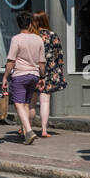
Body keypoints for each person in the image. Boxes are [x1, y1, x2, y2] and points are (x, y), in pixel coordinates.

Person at [1, 11, 46, 146]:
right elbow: (42, 62)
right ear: (30, 23)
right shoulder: (38, 39)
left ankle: (29, 131)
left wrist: (5, 77)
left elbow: (11, 61)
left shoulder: (16, 39)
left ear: (18, 24)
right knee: (26, 104)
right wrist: (42, 77)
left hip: (20, 75)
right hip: (34, 75)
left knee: (18, 104)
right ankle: (27, 133)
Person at [31, 10, 66, 138]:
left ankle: (26, 128)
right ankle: (44, 130)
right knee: (45, 101)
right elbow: (59, 55)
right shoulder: (53, 35)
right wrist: (60, 70)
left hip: (34, 70)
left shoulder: (32, 36)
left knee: (31, 102)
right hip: (50, 71)